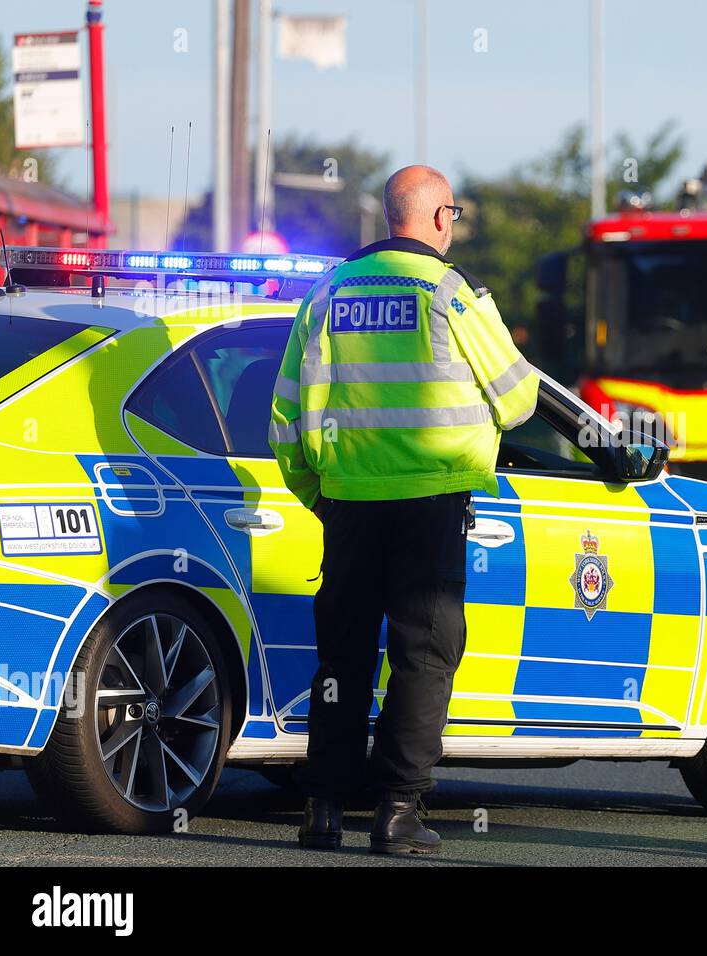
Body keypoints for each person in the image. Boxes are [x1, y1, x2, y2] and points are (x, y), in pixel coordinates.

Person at [269, 165, 539, 855]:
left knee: (343, 660)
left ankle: (323, 811)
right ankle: (397, 813)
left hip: (349, 507)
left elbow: (284, 420)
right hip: (429, 505)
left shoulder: (327, 293)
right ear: (440, 218)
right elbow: (519, 398)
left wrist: (321, 495)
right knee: (424, 656)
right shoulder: (449, 293)